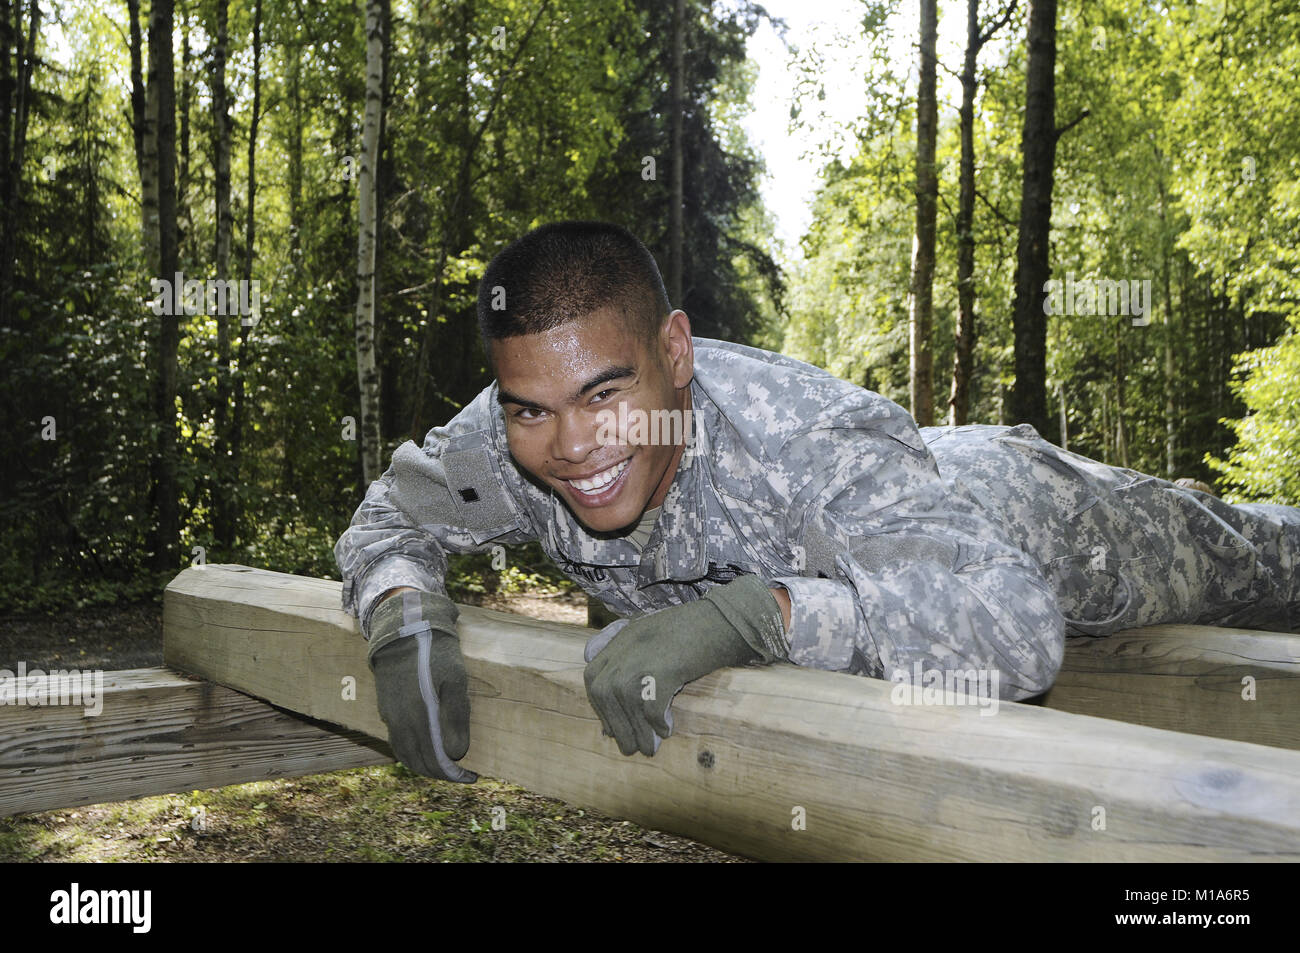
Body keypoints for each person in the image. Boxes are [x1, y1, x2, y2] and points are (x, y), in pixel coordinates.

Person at [334, 220, 1300, 781]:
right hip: (913, 481)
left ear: (676, 354)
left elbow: (1017, 632)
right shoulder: (504, 435)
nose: (572, 445)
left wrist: (762, 615)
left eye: (605, 394)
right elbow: (389, 516)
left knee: (1256, 555)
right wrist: (401, 615)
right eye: (531, 410)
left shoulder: (806, 439)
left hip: (1040, 523)